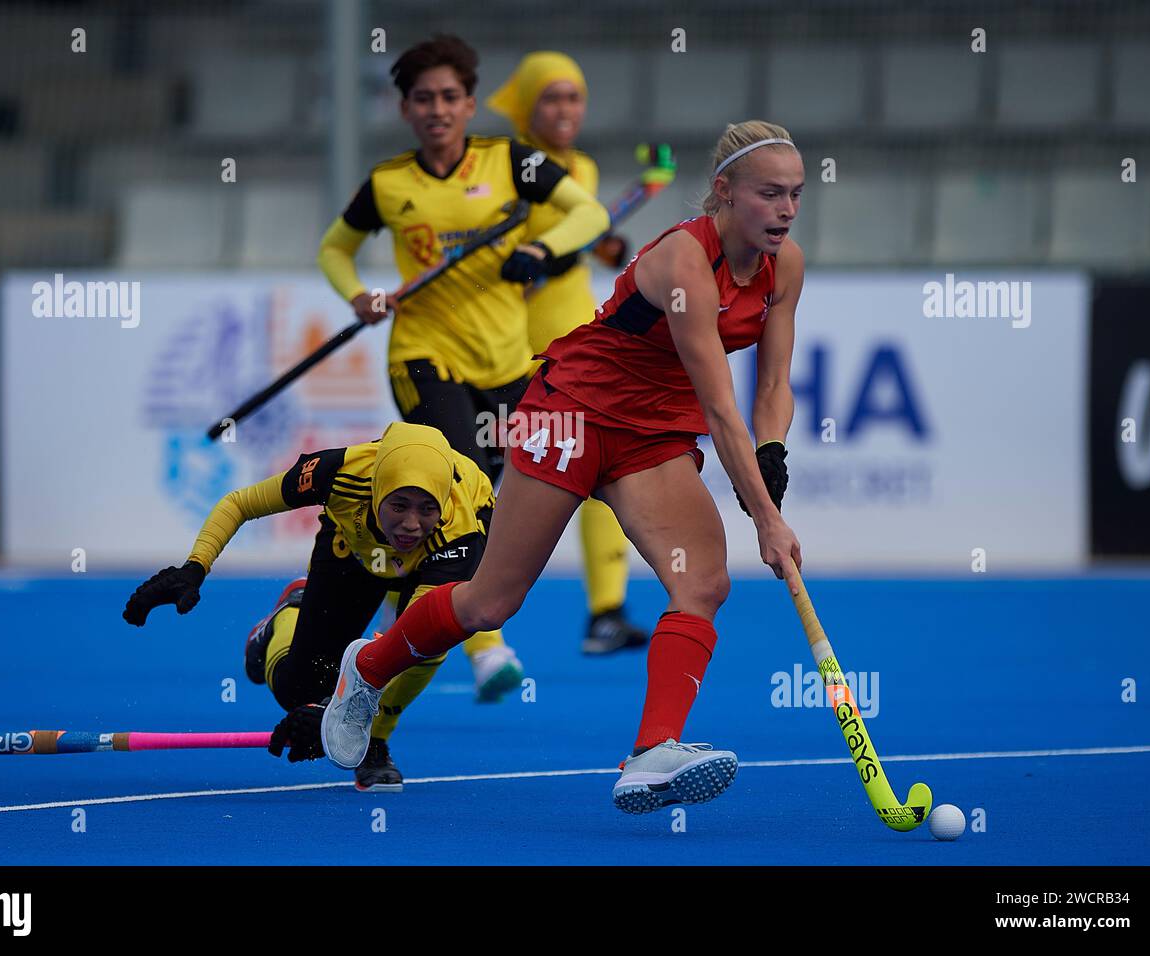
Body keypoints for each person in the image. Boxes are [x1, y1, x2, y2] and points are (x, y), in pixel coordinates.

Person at [315, 121, 807, 814]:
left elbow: (771, 388)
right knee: (490, 600)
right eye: (769, 194)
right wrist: (767, 518)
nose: (786, 210)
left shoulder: (785, 266)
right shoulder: (683, 264)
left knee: (702, 583)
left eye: (795, 195)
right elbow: (722, 407)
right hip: (571, 412)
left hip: (649, 436)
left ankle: (651, 752)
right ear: (724, 191)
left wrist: (773, 453)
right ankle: (365, 670)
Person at [316, 34, 610, 692]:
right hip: (424, 357)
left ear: (471, 104)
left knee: (481, 509)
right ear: (405, 110)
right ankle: (488, 649)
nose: (438, 110)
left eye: (450, 97)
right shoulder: (390, 185)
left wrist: (541, 252)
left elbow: (588, 214)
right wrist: (358, 295)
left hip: (506, 365)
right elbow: (334, 250)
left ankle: (399, 603)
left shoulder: (511, 163)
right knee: (463, 484)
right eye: (424, 99)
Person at [122, 422, 510, 791]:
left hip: (430, 565)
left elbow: (406, 643)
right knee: (299, 692)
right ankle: (285, 617)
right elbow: (240, 503)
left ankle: (374, 742)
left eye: (427, 508)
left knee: (426, 647)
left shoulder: (465, 527)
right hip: (350, 554)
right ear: (377, 488)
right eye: (399, 505)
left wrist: (339, 715)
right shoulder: (337, 471)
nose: (411, 524)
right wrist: (195, 567)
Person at [487, 51, 648, 656]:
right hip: (508, 343)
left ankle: (606, 612)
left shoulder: (581, 166)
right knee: (485, 479)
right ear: (527, 105)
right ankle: (459, 616)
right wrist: (544, 254)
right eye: (550, 98)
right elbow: (511, 258)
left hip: (577, 342)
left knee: (600, 471)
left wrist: (600, 247)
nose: (564, 110)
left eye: (573, 97)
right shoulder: (505, 170)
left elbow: (572, 242)